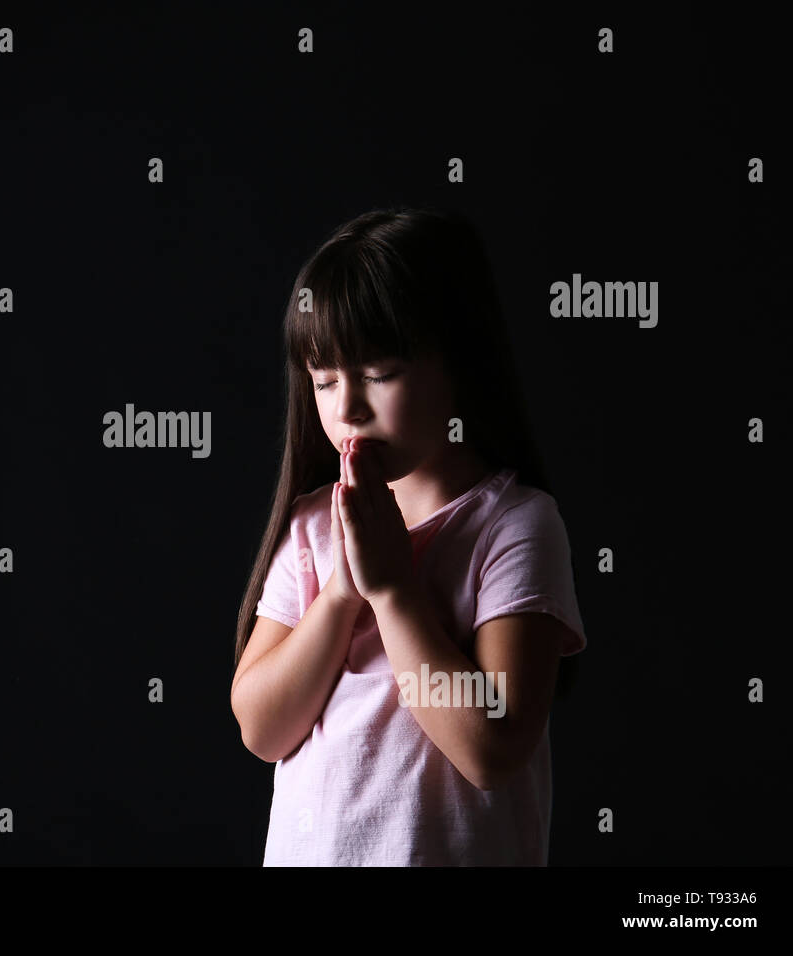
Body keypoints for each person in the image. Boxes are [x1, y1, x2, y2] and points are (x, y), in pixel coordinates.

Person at [231, 205, 587, 865]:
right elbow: (261, 725)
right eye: (326, 380)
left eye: (378, 373)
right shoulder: (314, 526)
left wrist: (393, 592)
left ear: (458, 360)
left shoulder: (514, 525)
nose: (348, 409)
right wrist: (342, 592)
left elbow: (491, 748)